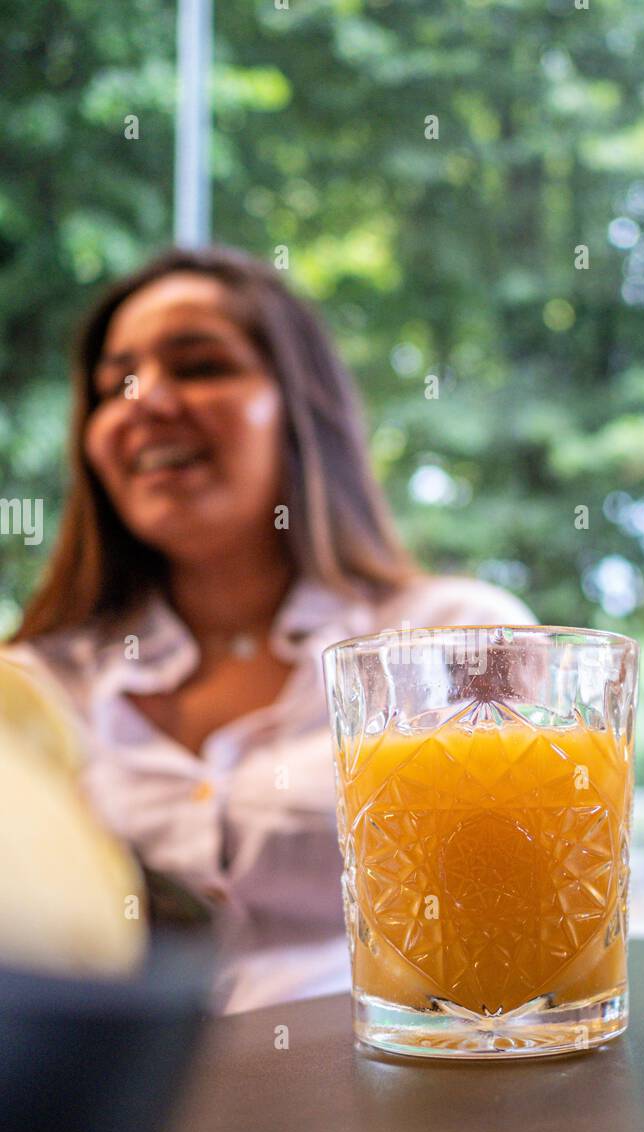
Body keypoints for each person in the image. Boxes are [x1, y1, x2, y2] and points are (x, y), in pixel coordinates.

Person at [5, 246, 535, 1012]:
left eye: (199, 365)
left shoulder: (458, 643)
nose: (146, 401)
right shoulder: (33, 690)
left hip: (398, 1094)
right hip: (127, 1115)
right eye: (114, 384)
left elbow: (517, 911)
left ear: (302, 408)